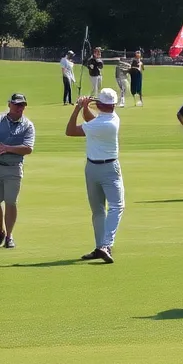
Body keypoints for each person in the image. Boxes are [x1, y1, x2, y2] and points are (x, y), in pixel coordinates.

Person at [66, 88, 124, 263]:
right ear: (113, 105)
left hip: (96, 169)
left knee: (113, 206)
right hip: (107, 167)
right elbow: (91, 120)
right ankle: (101, 247)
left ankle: (105, 244)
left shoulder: (102, 124)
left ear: (99, 104)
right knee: (104, 208)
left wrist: (78, 107)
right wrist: (85, 106)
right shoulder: (112, 118)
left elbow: (70, 131)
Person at [0, 93, 36, 248]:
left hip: (14, 168)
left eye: (22, 105)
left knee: (11, 202)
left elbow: (28, 148)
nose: (20, 108)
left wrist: (7, 148)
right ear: (9, 104)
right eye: (17, 104)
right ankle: (0, 231)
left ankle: (10, 236)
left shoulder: (27, 125)